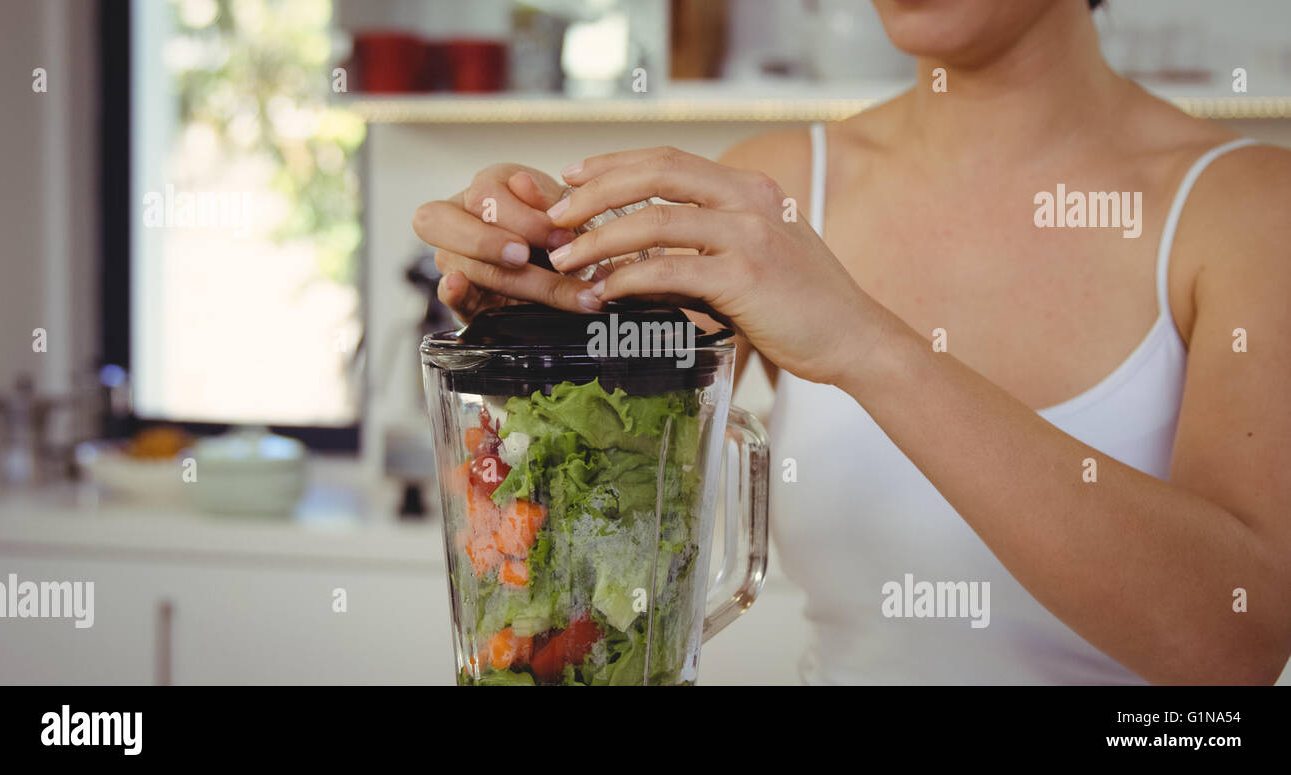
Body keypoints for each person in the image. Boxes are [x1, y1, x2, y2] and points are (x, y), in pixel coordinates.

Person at [411, 0, 1291, 684]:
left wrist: (869, 344)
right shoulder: (779, 188)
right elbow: (608, 412)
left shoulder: (1249, 209)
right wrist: (522, 287)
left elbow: (1232, 645)